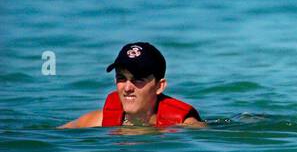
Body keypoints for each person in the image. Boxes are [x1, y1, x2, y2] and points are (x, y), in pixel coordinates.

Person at [61, 42, 204, 128]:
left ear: (159, 86)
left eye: (138, 79)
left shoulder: (185, 126)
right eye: (121, 78)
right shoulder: (99, 121)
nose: (128, 88)